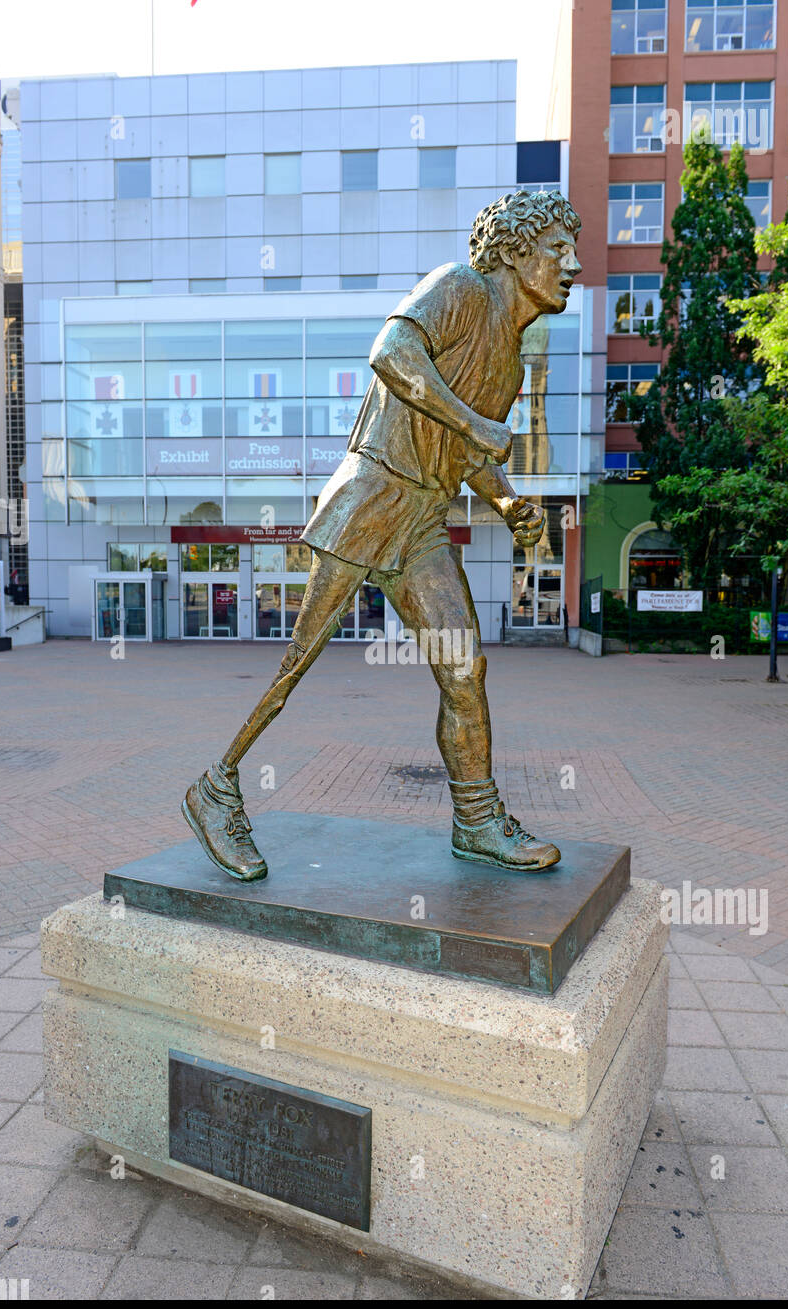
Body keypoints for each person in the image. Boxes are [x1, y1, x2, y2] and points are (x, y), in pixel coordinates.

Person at [183, 188, 582, 882]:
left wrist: (507, 500)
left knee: (463, 668)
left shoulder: (511, 361)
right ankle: (215, 788)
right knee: (294, 667)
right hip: (372, 495)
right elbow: (391, 351)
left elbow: (463, 456)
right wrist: (473, 427)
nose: (572, 265)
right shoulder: (459, 287)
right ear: (516, 254)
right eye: (558, 250)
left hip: (423, 520)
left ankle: (477, 821)